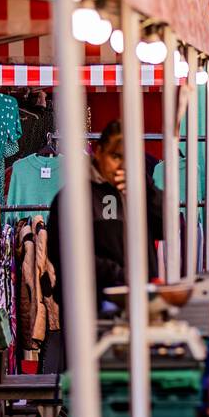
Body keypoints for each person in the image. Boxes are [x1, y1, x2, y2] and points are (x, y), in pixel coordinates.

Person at [46, 119, 163, 317]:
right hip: (88, 312)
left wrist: (147, 189)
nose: (122, 166)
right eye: (116, 156)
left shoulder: (140, 191)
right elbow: (67, 255)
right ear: (98, 152)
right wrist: (120, 275)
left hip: (140, 307)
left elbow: (165, 227)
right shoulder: (73, 197)